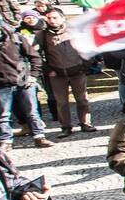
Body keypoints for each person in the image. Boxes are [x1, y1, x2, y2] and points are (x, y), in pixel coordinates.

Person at [0, 14, 52, 149]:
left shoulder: (15, 38)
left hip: (22, 80)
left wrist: (33, 76)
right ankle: (5, 140)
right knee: (4, 114)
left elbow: (34, 57)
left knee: (31, 112)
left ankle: (39, 136)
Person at [35, 7, 94, 136]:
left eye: (55, 18)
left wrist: (85, 65)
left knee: (82, 99)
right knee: (61, 102)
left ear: (62, 18)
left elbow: (87, 47)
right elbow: (35, 55)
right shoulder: (42, 35)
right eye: (49, 18)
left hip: (77, 71)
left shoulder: (75, 31)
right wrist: (47, 70)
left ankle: (85, 123)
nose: (52, 21)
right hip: (57, 74)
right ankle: (66, 127)